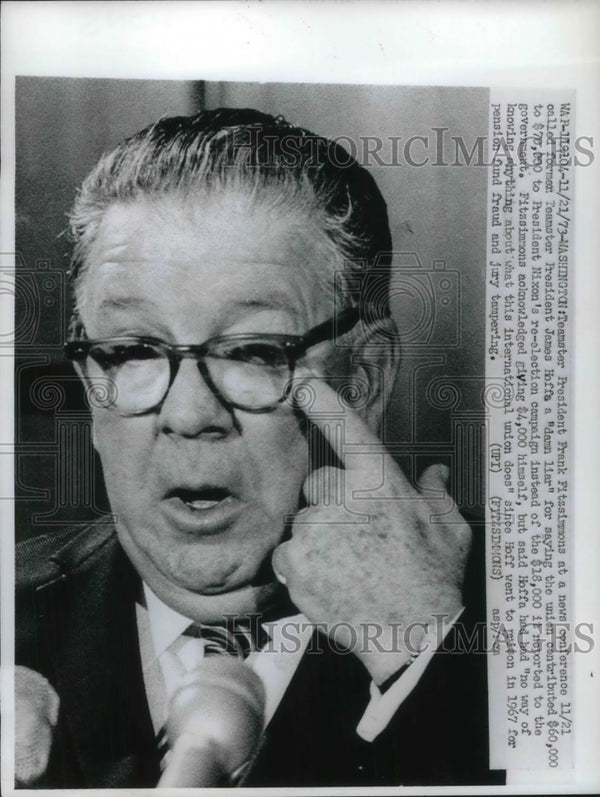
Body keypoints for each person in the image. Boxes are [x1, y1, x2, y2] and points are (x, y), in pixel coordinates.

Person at [16, 108, 502, 787]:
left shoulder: (524, 630)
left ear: (363, 379)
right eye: (132, 350)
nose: (189, 414)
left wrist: (422, 654)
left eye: (253, 351)